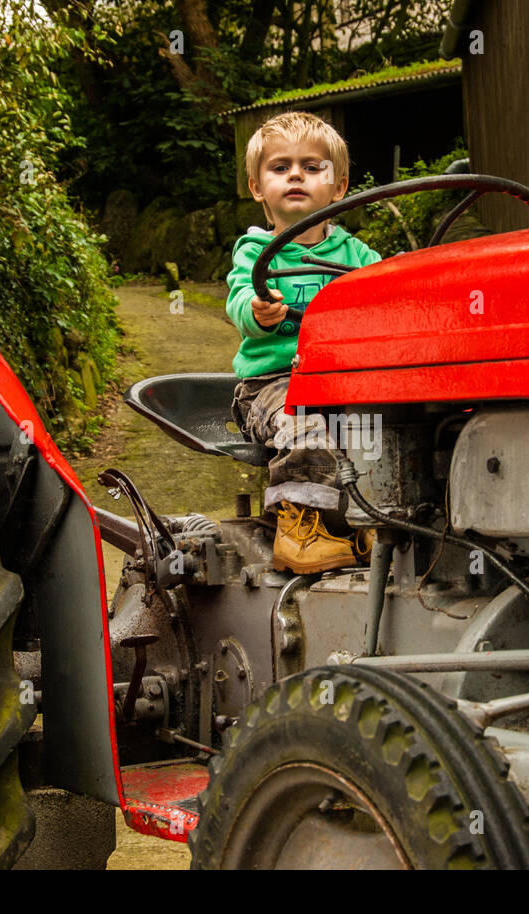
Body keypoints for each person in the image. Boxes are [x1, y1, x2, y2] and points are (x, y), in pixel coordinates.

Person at [226, 111, 382, 574]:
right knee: (305, 426)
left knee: (376, 426)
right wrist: (256, 312)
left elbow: (388, 287)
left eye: (312, 167)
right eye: (280, 168)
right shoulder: (254, 251)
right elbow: (237, 297)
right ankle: (301, 526)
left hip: (339, 381)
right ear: (257, 187)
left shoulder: (356, 254)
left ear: (338, 187)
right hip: (272, 385)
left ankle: (371, 518)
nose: (296, 175)